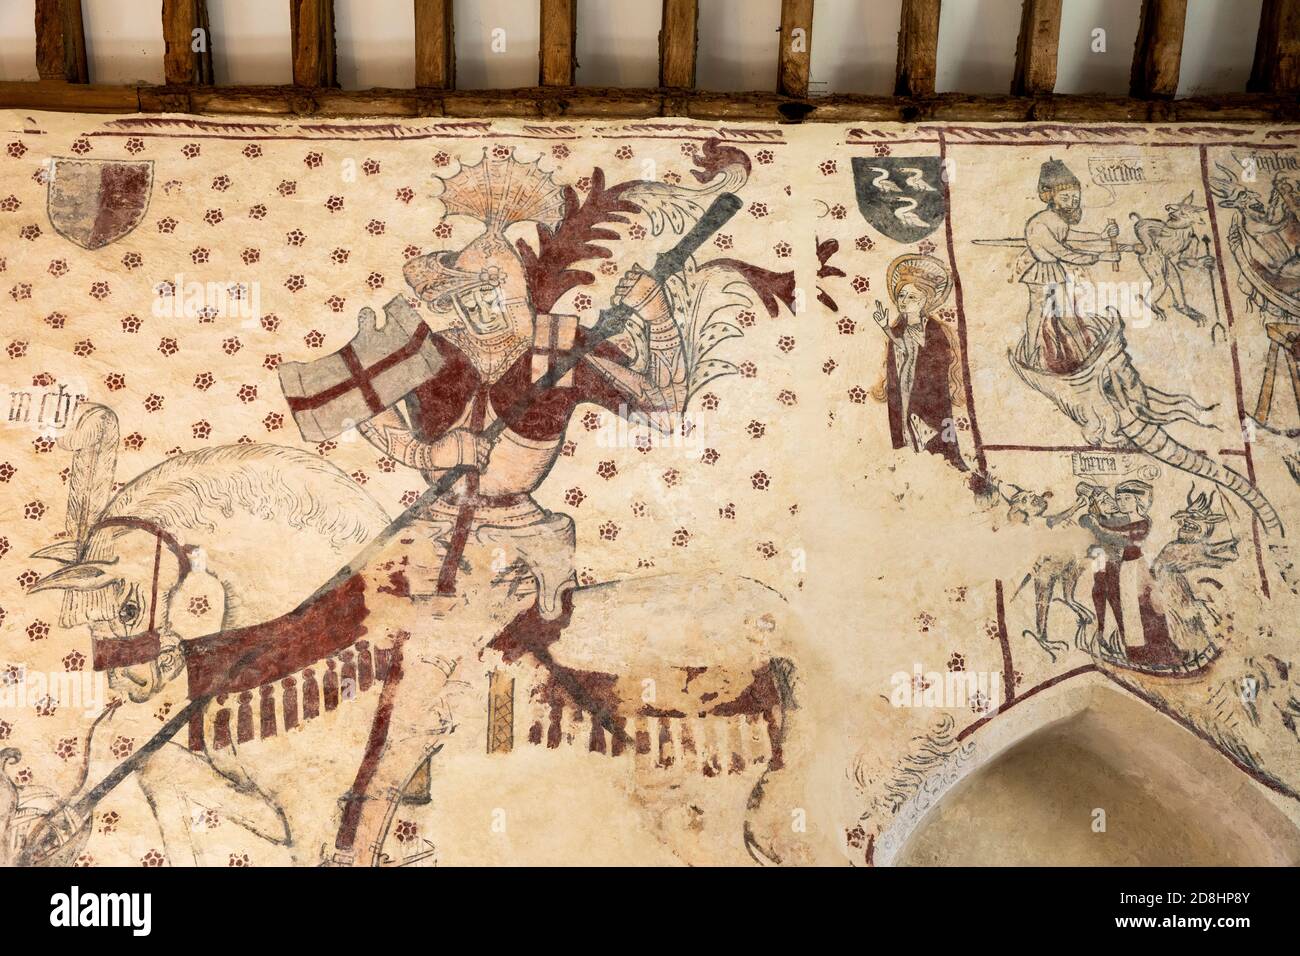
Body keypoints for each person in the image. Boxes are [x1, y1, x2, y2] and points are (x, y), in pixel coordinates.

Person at [1019, 158, 1120, 374]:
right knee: (1037, 314)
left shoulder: (1057, 219)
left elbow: (1072, 236)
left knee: (1065, 313)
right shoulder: (1040, 222)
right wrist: (1101, 255)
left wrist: (1101, 236)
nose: (1072, 202)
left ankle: (1085, 353)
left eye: (1076, 197)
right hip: (1042, 272)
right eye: (1065, 197)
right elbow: (1064, 252)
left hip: (1054, 270)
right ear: (1050, 197)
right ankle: (1030, 354)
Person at [871, 253, 968, 472]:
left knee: (932, 434)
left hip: (927, 393)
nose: (904, 301)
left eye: (912, 297)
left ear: (925, 300)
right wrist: (886, 327)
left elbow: (934, 361)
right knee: (905, 429)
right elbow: (901, 348)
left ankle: (944, 465)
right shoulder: (899, 327)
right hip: (904, 386)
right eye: (902, 295)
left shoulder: (935, 330)